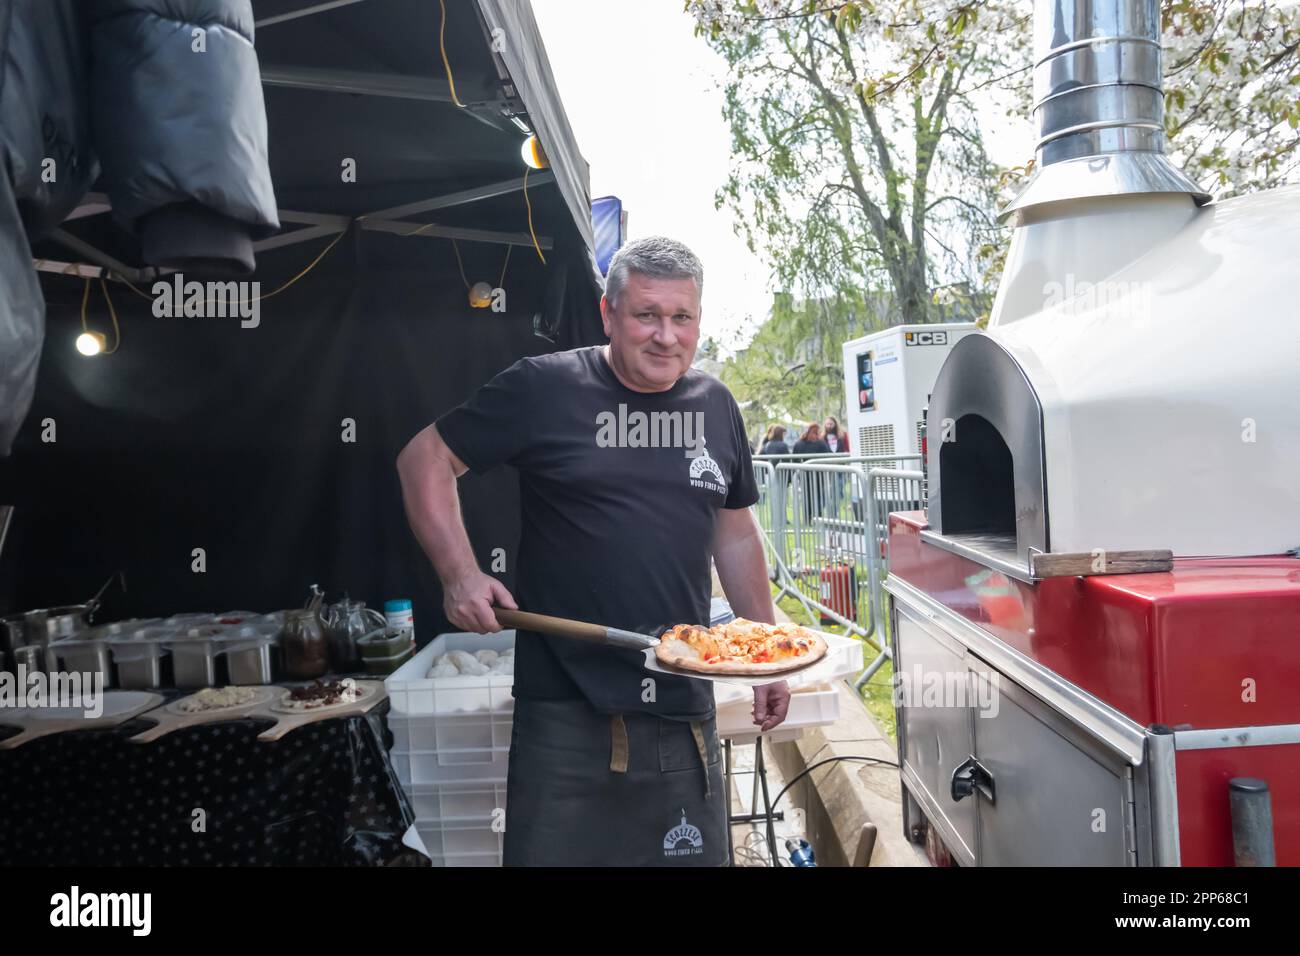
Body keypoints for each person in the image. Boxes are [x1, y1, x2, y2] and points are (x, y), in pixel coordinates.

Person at [396, 236, 789, 867]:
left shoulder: (715, 404)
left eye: (681, 317)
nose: (666, 336)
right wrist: (459, 574)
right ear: (608, 314)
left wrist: (765, 649)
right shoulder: (545, 387)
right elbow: (425, 460)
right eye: (646, 315)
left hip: (681, 707)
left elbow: (734, 529)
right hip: (564, 712)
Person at [791, 423, 831, 521]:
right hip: (818, 474)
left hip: (804, 474)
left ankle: (807, 518)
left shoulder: (798, 443)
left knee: (807, 497)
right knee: (817, 496)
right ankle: (818, 517)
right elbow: (829, 456)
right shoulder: (821, 443)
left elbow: (794, 459)